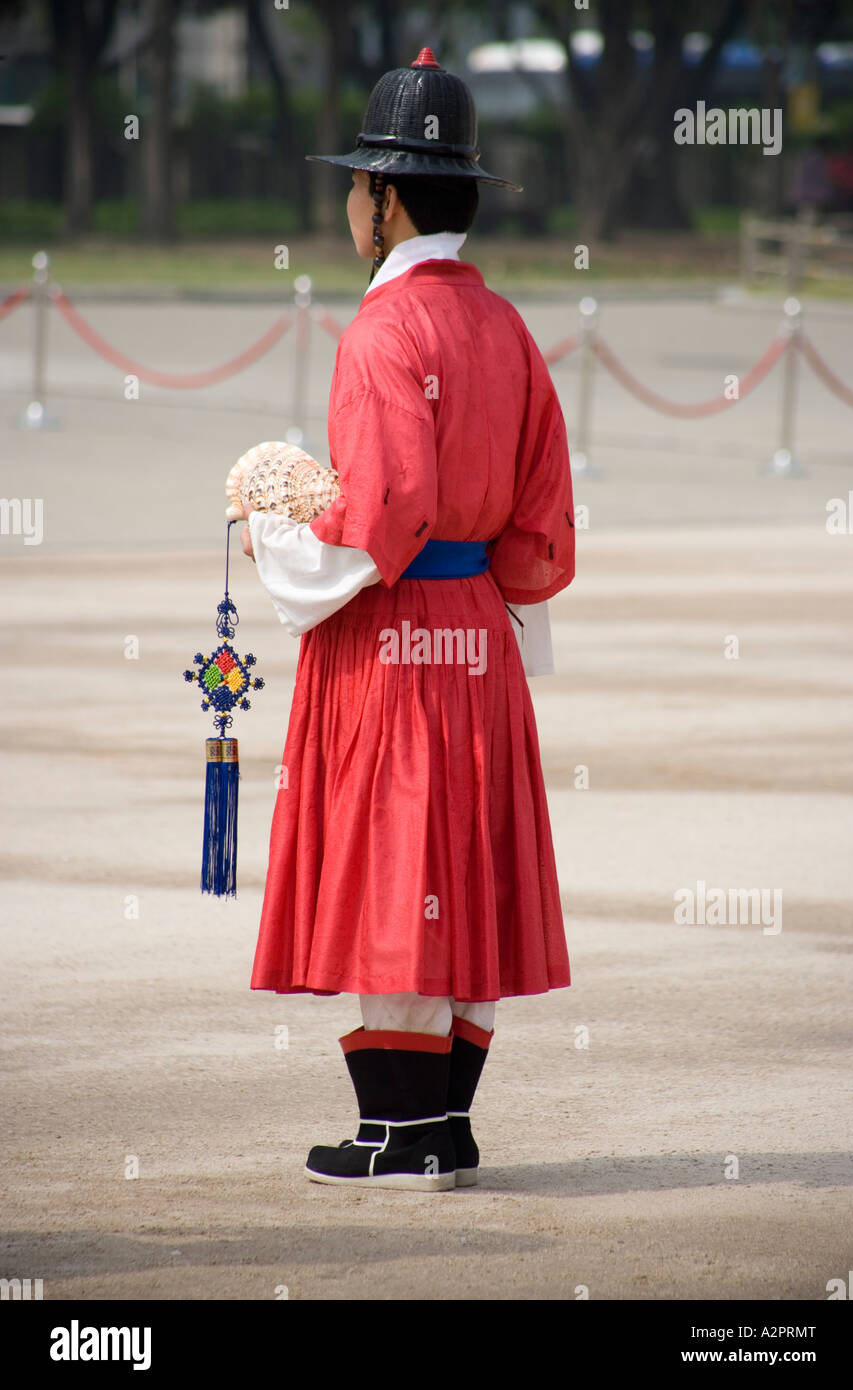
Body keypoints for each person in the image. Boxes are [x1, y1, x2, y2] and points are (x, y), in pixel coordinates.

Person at [240, 48, 575, 1191]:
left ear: (385, 201)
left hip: (394, 638)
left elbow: (376, 521)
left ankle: (395, 1129)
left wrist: (272, 530)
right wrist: (494, 615)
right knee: (461, 868)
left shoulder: (383, 337)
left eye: (352, 186)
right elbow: (538, 531)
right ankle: (447, 1117)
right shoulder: (509, 331)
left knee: (397, 866)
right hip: (477, 631)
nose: (343, 205)